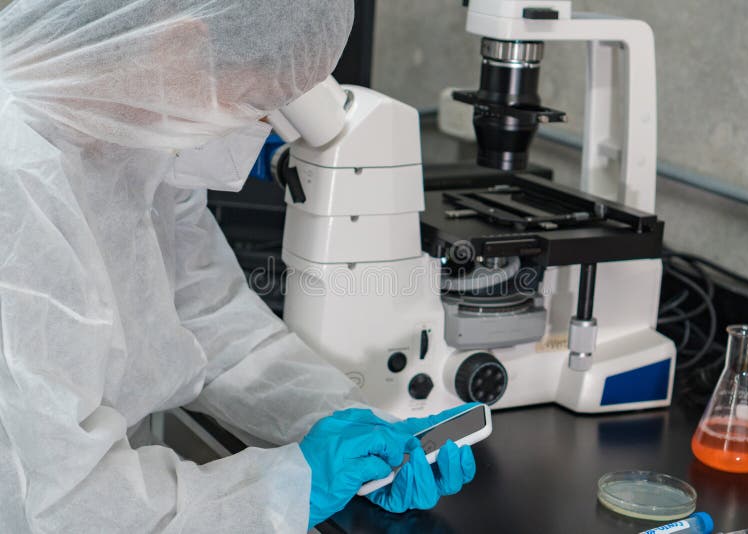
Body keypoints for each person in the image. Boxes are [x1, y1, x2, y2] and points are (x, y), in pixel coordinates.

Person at [0, 1, 476, 532]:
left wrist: (344, 423)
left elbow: (208, 316)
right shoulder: (16, 176)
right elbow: (61, 505)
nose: (255, 131)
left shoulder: (134, 139)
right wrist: (290, 487)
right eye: (253, 106)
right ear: (176, 47)